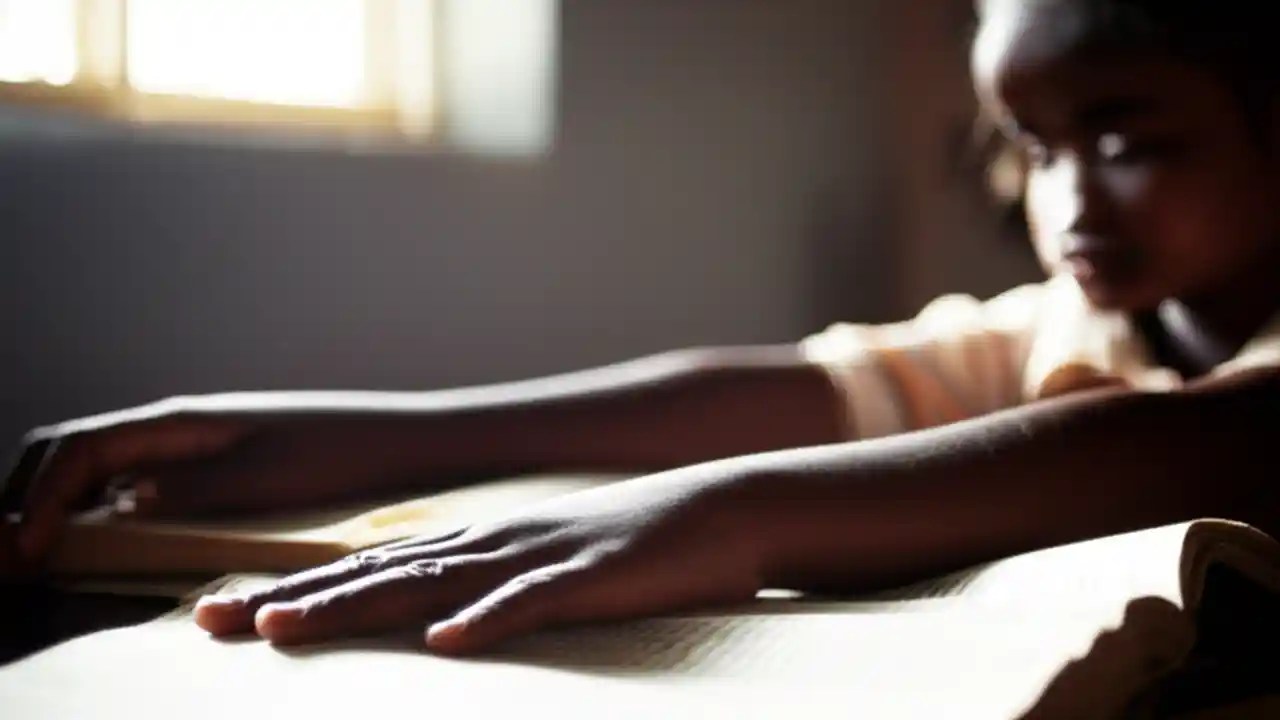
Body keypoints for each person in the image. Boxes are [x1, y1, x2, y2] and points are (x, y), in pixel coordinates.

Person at [3, 0, 1278, 655]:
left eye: (1124, 140)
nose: (1060, 201)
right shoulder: (1053, 328)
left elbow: (1205, 445)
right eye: (1029, 146)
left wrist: (725, 511)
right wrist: (341, 436)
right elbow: (769, 394)